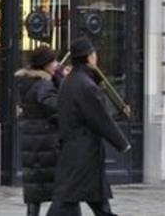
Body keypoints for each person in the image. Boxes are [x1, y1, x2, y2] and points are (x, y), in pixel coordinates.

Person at [48, 38, 132, 216]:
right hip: (84, 153)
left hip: (74, 150)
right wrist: (122, 143)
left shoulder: (69, 81)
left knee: (90, 201)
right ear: (89, 57)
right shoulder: (86, 86)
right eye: (94, 53)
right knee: (67, 200)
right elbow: (101, 119)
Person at [16, 45, 60, 216]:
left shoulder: (27, 82)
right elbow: (54, 108)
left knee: (34, 190)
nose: (57, 64)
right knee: (59, 190)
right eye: (54, 61)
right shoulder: (43, 85)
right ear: (45, 64)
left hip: (31, 138)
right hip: (45, 142)